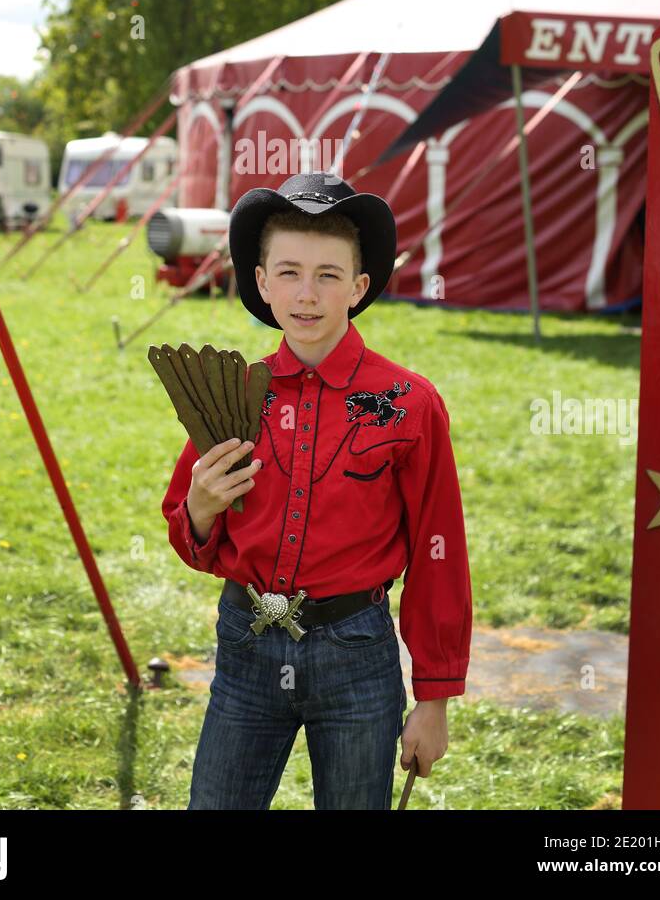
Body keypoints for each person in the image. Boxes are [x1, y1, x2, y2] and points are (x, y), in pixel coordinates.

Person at [161, 170, 472, 809]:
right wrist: (198, 509)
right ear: (261, 282)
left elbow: (440, 550)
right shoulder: (233, 394)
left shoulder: (408, 404)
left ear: (359, 287)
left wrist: (434, 699)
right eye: (290, 272)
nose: (308, 294)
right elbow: (190, 532)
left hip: (357, 656)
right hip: (245, 648)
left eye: (328, 275)